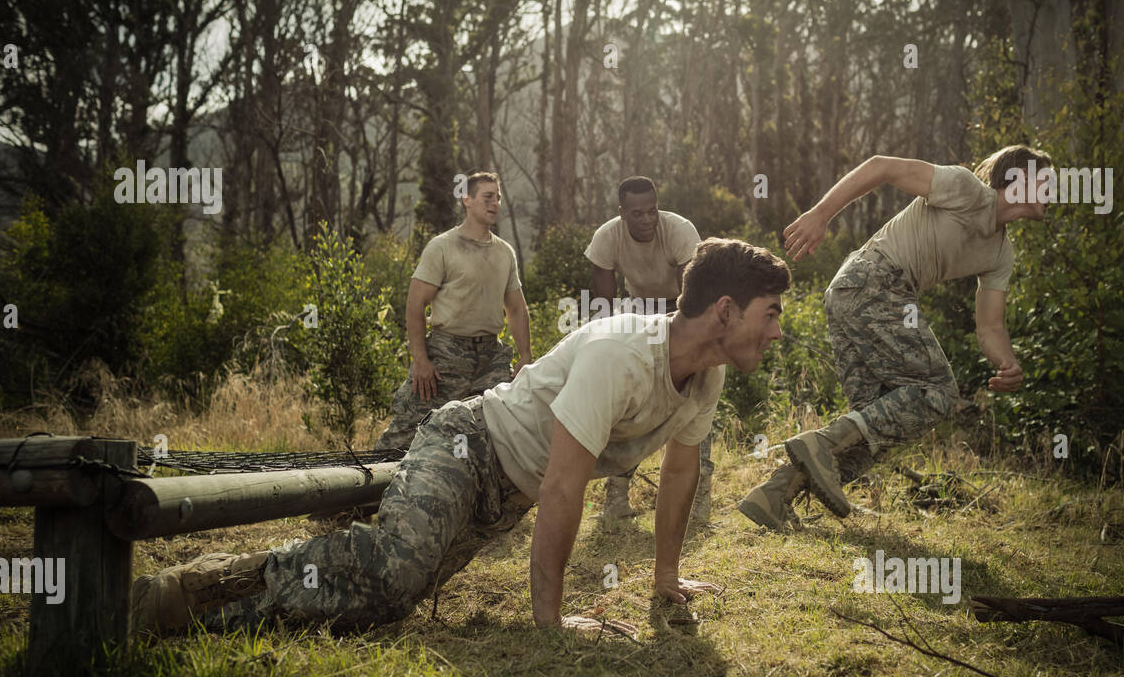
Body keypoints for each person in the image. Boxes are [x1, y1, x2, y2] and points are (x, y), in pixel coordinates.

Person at [132, 238, 791, 638]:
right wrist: (549, 620)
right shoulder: (622, 354)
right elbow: (565, 485)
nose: (777, 332)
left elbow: (680, 474)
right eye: (770, 315)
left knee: (392, 600)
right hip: (468, 443)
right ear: (726, 311)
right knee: (396, 572)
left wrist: (666, 578)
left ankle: (232, 597)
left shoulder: (705, 378)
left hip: (506, 495)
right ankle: (180, 595)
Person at [739, 145, 1052, 529]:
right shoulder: (965, 188)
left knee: (873, 432)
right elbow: (881, 167)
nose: (1056, 191)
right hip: (873, 280)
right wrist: (820, 215)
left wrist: (1007, 363)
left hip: (858, 294)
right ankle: (816, 446)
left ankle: (773, 496)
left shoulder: (1001, 254)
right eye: (1047, 181)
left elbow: (990, 326)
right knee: (938, 391)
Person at [374, 171, 531, 453]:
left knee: (500, 433)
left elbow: (517, 308)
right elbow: (415, 304)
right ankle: (370, 491)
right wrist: (421, 359)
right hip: (447, 353)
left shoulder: (504, 252)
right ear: (466, 199)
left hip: (490, 358)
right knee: (405, 435)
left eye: (497, 197)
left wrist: (526, 355)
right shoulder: (443, 247)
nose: (494, 203)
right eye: (487, 197)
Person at [584, 176, 711, 523]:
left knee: (695, 395)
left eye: (651, 211)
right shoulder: (607, 237)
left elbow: (694, 296)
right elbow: (603, 307)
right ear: (622, 213)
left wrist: (684, 343)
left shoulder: (680, 231)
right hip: (637, 307)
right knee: (629, 396)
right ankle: (617, 498)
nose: (646, 220)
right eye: (637, 213)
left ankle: (699, 500)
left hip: (682, 307)